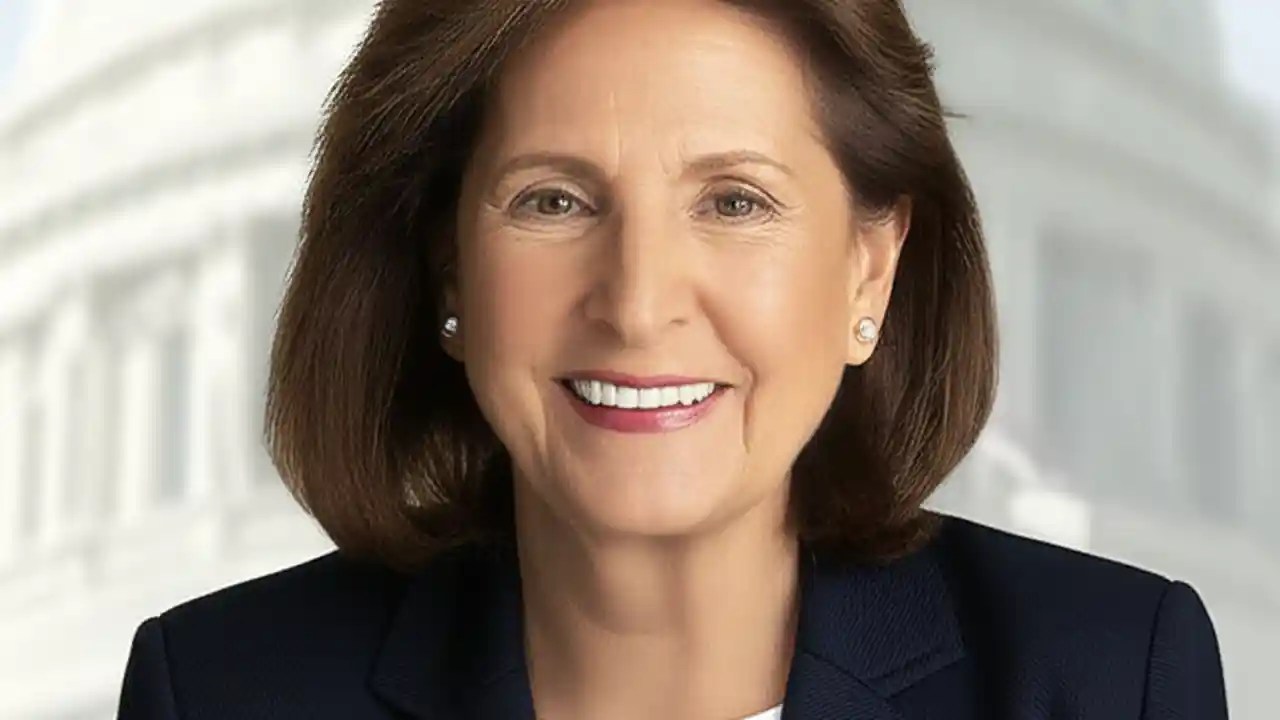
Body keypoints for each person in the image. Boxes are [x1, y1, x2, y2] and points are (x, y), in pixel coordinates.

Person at [115, 0, 1229, 718]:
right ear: (447, 270)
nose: (639, 307)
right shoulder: (220, 691)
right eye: (552, 201)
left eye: (733, 201)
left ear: (867, 272)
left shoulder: (1107, 678)